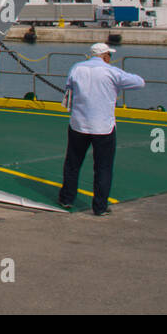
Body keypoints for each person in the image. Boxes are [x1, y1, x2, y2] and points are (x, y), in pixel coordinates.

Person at [59, 43, 145, 216]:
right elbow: (139, 83)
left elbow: (69, 87)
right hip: (103, 127)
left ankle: (66, 198)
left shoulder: (77, 68)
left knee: (72, 163)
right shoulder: (111, 72)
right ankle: (100, 206)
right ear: (105, 56)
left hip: (79, 124)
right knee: (103, 168)